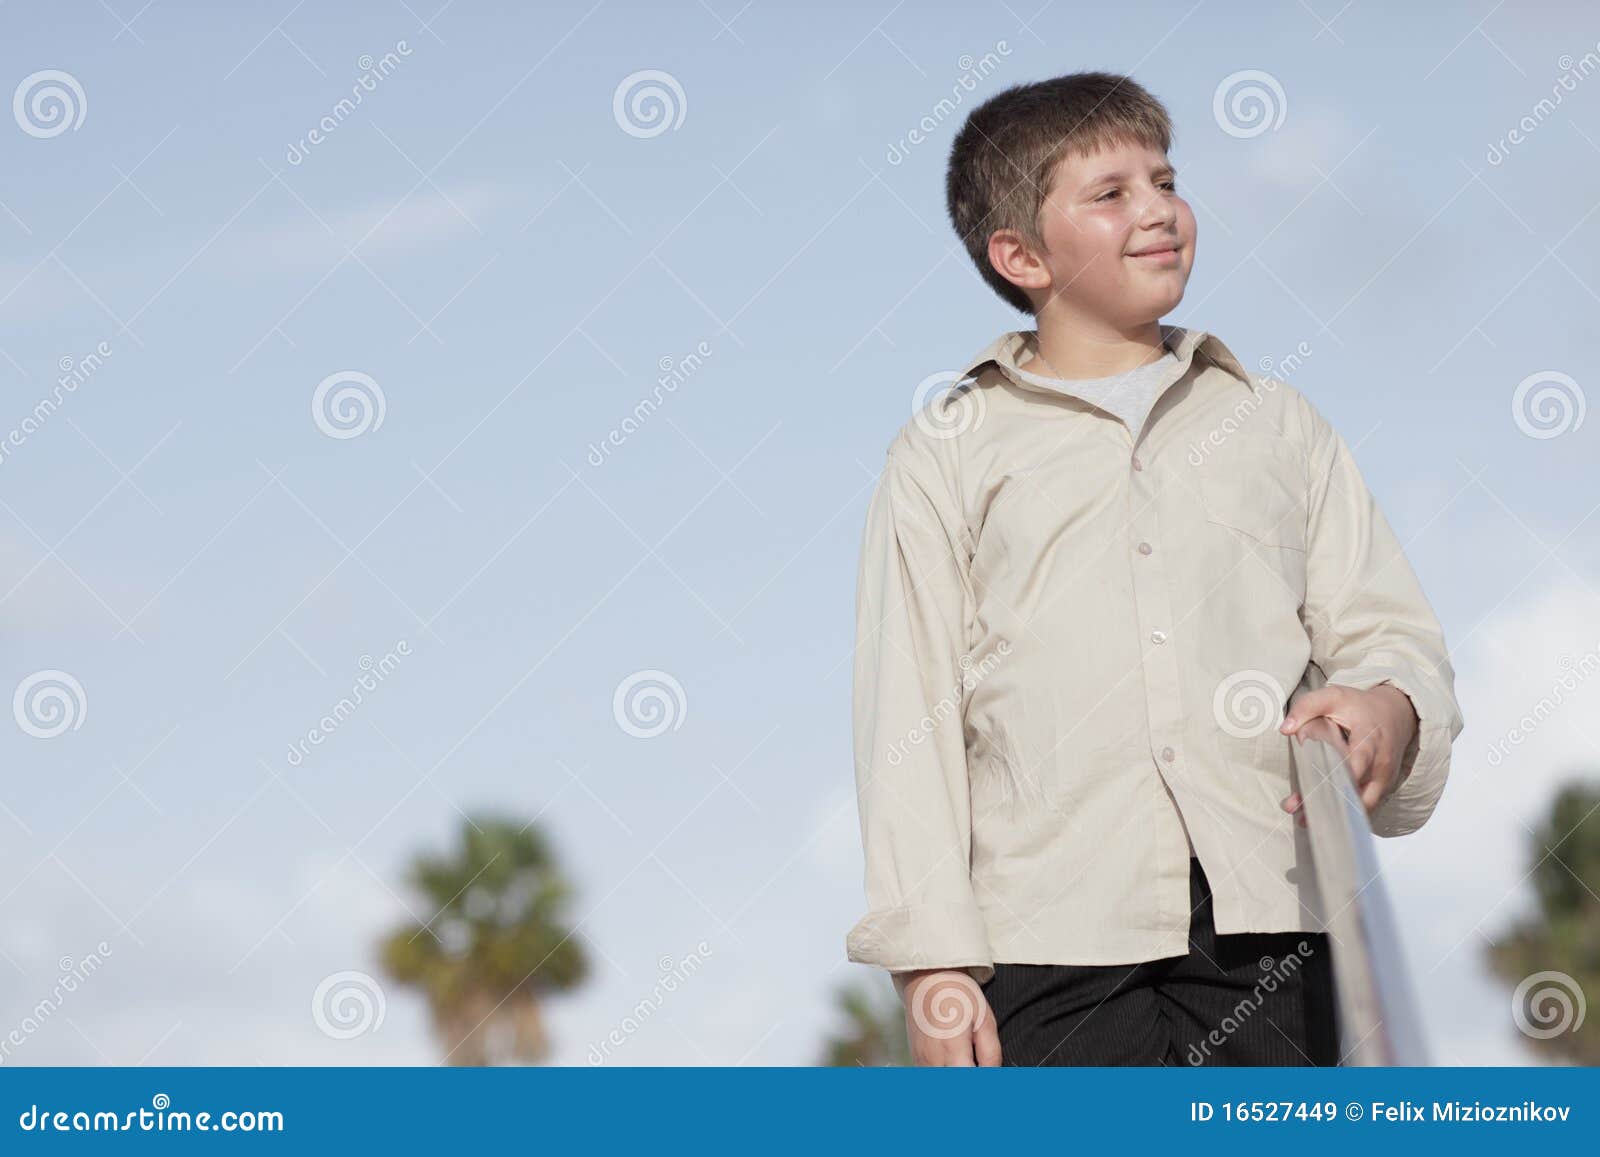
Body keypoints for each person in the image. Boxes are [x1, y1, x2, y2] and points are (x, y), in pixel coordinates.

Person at [845, 71, 1464, 1066]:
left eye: (1164, 180)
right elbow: (904, 715)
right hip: (1045, 937)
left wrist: (1391, 704)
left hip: (1269, 917)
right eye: (1109, 192)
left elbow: (1390, 629)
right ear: (1021, 255)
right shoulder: (947, 448)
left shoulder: (1274, 423)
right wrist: (929, 962)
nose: (1159, 211)